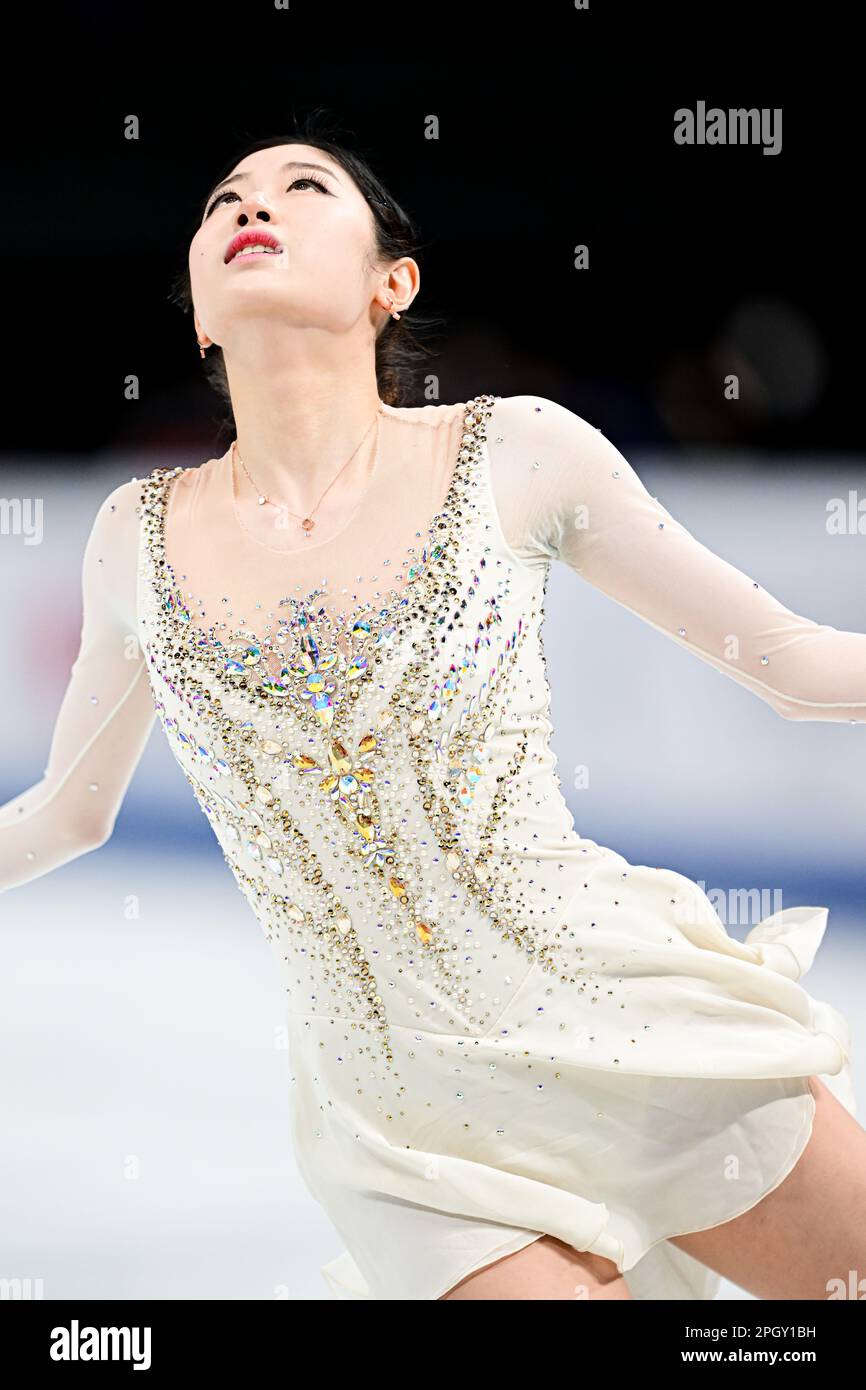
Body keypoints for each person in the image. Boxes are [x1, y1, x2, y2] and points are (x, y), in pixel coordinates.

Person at [3, 124, 865, 1303]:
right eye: (222, 200)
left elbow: (792, 664)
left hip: (632, 1028)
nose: (254, 204)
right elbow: (67, 813)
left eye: (304, 187)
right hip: (410, 1135)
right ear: (202, 312)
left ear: (388, 282)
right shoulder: (130, 540)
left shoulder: (514, 449)